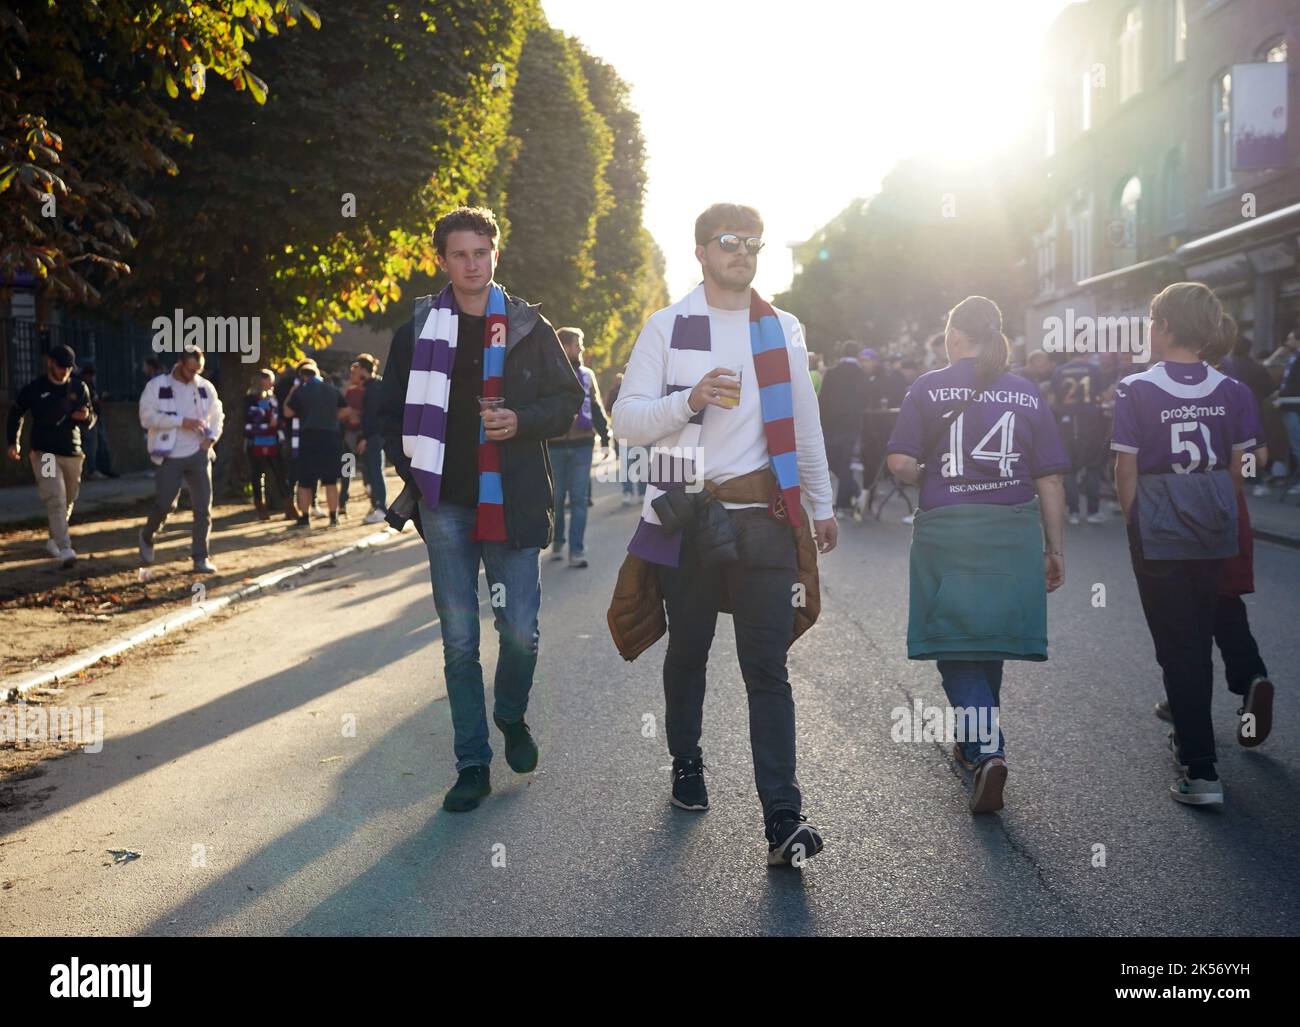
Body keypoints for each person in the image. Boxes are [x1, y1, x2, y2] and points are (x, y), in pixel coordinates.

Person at [609, 202, 836, 867]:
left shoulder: (782, 327)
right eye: (728, 241)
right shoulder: (668, 325)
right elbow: (626, 419)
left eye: (752, 242)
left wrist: (820, 505)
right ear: (703, 251)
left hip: (763, 514)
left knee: (766, 666)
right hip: (690, 514)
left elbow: (806, 423)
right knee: (690, 651)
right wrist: (690, 400)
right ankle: (686, 762)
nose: (743, 251)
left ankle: (783, 820)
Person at [379, 205, 583, 813]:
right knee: (460, 640)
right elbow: (390, 413)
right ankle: (472, 763)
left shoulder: (525, 326)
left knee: (519, 631)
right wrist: (413, 474)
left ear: (496, 255)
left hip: (513, 497)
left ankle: (511, 714)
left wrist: (521, 421)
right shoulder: (417, 327)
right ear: (442, 260)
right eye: (460, 255)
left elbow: (568, 399)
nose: (472, 264)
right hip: (444, 504)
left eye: (482, 253)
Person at [886, 296, 1068, 814]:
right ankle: (976, 742)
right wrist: (1053, 547)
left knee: (955, 641)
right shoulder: (1027, 392)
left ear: (953, 336)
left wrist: (935, 475)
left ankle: (986, 745)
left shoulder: (926, 387)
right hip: (1011, 528)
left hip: (948, 527)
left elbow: (899, 461)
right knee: (987, 636)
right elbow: (1050, 477)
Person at [1111, 282, 1262, 806]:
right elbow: (1245, 465)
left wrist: (1135, 521)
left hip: (1159, 526)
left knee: (1180, 643)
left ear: (1166, 327)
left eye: (1152, 322)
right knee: (1202, 624)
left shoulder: (1136, 389)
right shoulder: (1234, 390)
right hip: (1213, 522)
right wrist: (1218, 500)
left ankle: (1200, 768)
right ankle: (1200, 744)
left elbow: (1125, 468)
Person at [1152, 312, 1274, 749]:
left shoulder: (1157, 389)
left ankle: (1184, 706)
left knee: (1184, 618)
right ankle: (1250, 678)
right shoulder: (1235, 392)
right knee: (1224, 605)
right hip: (1228, 508)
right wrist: (1231, 480)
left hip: (1179, 510)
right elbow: (1256, 458)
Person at [5, 344, 96, 568]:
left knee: (69, 498)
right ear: (50, 363)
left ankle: (54, 538)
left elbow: (91, 417)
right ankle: (65, 548)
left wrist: (85, 417)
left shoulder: (79, 386)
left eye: (68, 367)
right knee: (54, 496)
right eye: (61, 366)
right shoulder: (34, 389)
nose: (65, 371)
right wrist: (13, 441)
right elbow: (16, 412)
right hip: (44, 452)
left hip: (73, 451)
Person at [138, 346, 224, 574]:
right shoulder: (157, 386)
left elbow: (217, 415)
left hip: (199, 452)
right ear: (179, 363)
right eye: (190, 370)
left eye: (198, 370)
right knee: (166, 504)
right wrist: (179, 421)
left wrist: (212, 438)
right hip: (168, 453)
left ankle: (200, 557)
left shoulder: (205, 387)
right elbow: (146, 418)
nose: (194, 375)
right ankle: (147, 535)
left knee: (203, 507)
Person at [547, 327, 609, 568]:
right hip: (554, 445)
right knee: (557, 499)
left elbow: (595, 407)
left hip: (583, 444)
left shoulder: (587, 375)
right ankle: (558, 540)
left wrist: (605, 437)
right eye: (577, 344)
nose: (581, 349)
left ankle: (577, 550)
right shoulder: (549, 373)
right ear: (564, 346)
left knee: (580, 499)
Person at [283, 359, 347, 529]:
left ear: (302, 377)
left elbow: (287, 412)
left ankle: (304, 518)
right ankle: (333, 517)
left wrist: (292, 392)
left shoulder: (301, 391)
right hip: (329, 438)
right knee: (331, 481)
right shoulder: (332, 389)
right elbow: (345, 410)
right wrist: (332, 418)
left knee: (304, 482)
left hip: (308, 438)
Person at [1049, 349, 1108, 525]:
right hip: (1090, 422)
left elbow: (1052, 400)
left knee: (1070, 470)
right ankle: (1092, 512)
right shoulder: (1094, 369)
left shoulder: (1059, 371)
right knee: (1093, 467)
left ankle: (1073, 512)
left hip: (1066, 423)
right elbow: (1104, 395)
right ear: (1086, 353)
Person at [818, 340, 871, 518]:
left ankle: (845, 501)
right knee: (845, 461)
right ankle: (852, 495)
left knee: (833, 461)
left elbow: (822, 398)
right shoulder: (862, 375)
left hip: (830, 424)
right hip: (851, 424)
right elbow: (866, 399)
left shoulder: (832, 373)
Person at [243, 369, 292, 521]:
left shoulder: (273, 398)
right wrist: (267, 420)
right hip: (255, 442)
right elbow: (250, 416)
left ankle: (289, 506)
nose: (272, 382)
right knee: (257, 475)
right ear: (261, 381)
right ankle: (260, 508)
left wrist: (276, 424)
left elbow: (279, 416)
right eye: (269, 379)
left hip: (273, 441)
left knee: (280, 473)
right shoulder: (250, 398)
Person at [354, 354, 388, 524]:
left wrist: (365, 437)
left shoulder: (373, 388)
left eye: (357, 368)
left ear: (362, 368)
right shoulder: (375, 385)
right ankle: (378, 506)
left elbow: (373, 416)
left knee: (375, 471)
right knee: (373, 471)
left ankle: (381, 508)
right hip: (375, 435)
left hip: (374, 436)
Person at [74, 362, 116, 480]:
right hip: (87, 419)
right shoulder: (82, 384)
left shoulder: (88, 383)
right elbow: (89, 400)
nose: (92, 378)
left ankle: (98, 469)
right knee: (91, 445)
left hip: (93, 417)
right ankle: (91, 470)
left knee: (96, 444)